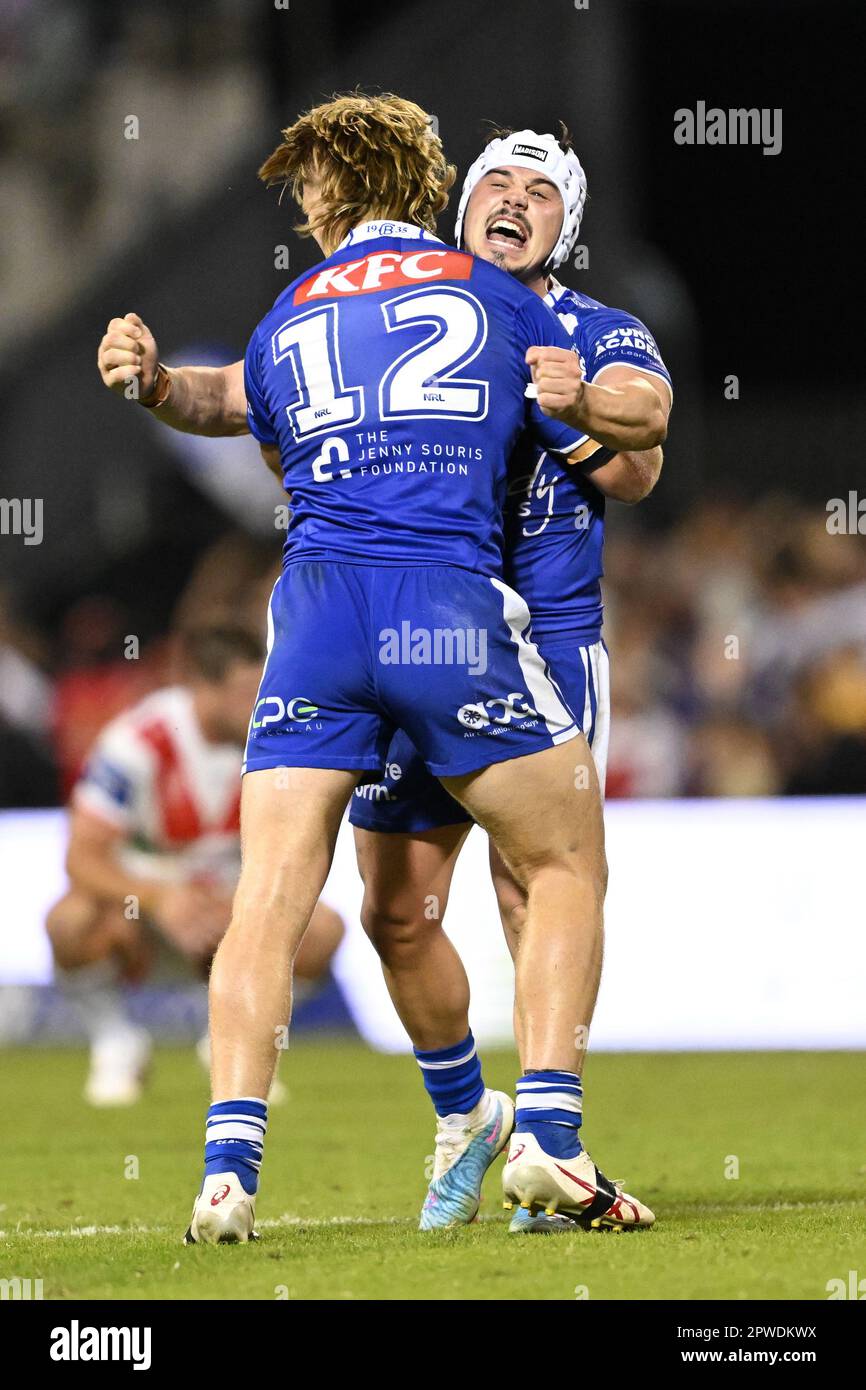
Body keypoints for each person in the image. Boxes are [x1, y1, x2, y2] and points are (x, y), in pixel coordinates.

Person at [96, 93, 667, 1244]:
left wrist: (583, 403)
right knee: (398, 909)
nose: (511, 201)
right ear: (446, 195)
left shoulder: (559, 320)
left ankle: (541, 1147)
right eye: (494, 183)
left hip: (472, 627)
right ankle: (477, 1122)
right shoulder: (484, 301)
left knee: (480, 884)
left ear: (568, 223)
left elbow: (639, 447)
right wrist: (167, 385)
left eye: (539, 190)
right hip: (450, 623)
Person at [46, 625, 344, 1105]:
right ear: (204, 687)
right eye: (247, 692)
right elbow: (81, 856)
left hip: (227, 902)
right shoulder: (137, 742)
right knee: (69, 920)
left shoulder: (273, 740)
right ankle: (116, 1042)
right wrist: (161, 898)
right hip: (142, 911)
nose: (259, 704)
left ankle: (234, 1042)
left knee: (324, 927)